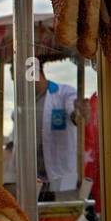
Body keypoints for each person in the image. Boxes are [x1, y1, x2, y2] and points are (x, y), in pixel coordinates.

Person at [32, 70, 81, 200]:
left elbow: (75, 114)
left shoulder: (64, 93)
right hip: (34, 178)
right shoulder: (26, 101)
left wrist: (79, 113)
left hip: (63, 176)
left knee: (65, 215)